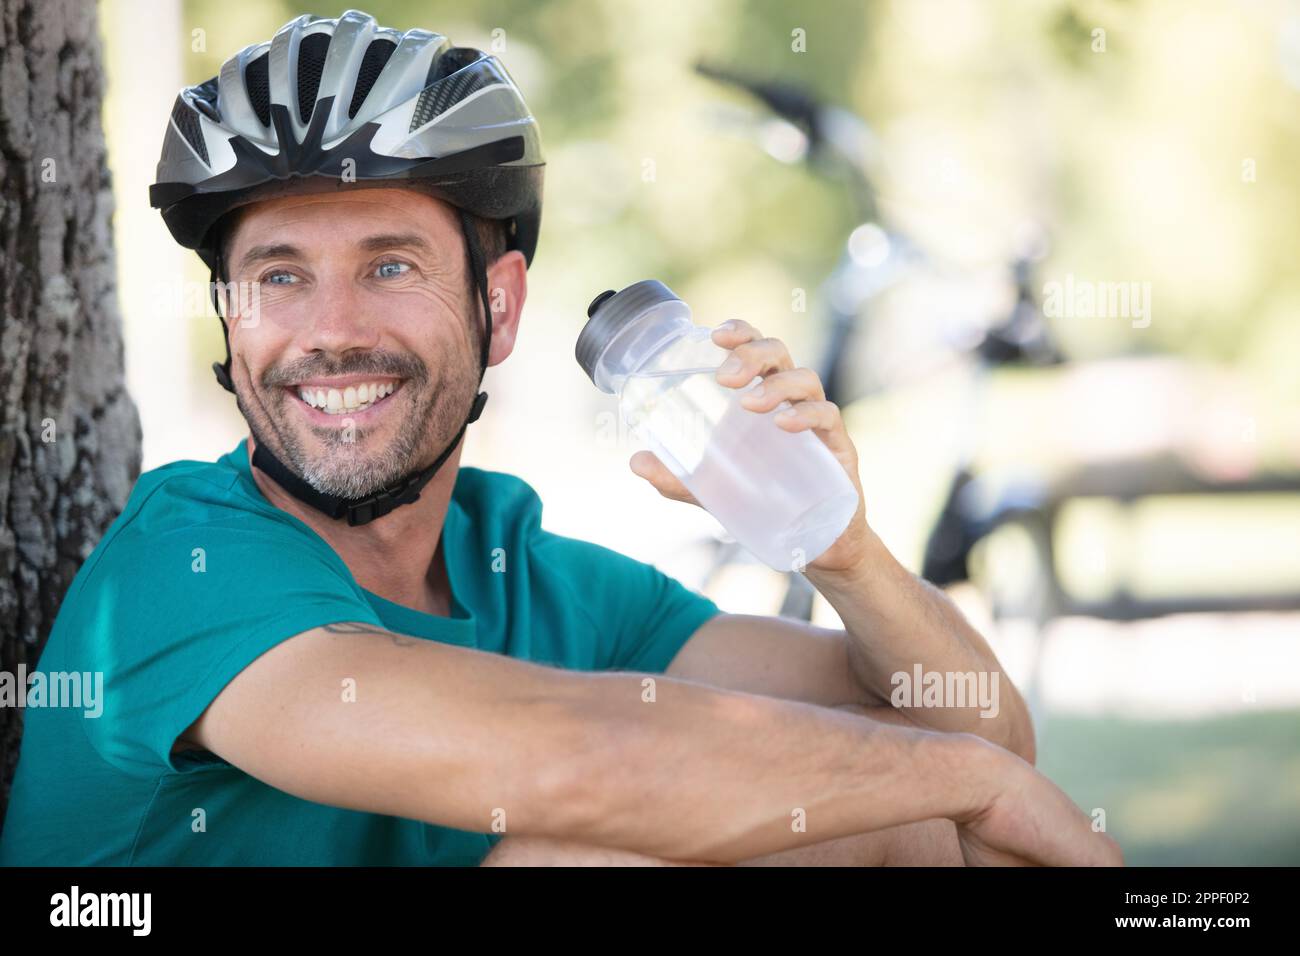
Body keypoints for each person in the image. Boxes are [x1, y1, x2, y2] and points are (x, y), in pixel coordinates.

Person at [0, 10, 1119, 867]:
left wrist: (848, 555)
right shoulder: (177, 565)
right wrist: (965, 780)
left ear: (502, 304)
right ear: (231, 316)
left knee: (899, 823)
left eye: (389, 266)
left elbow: (983, 735)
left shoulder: (532, 575)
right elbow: (587, 761)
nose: (329, 333)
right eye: (279, 277)